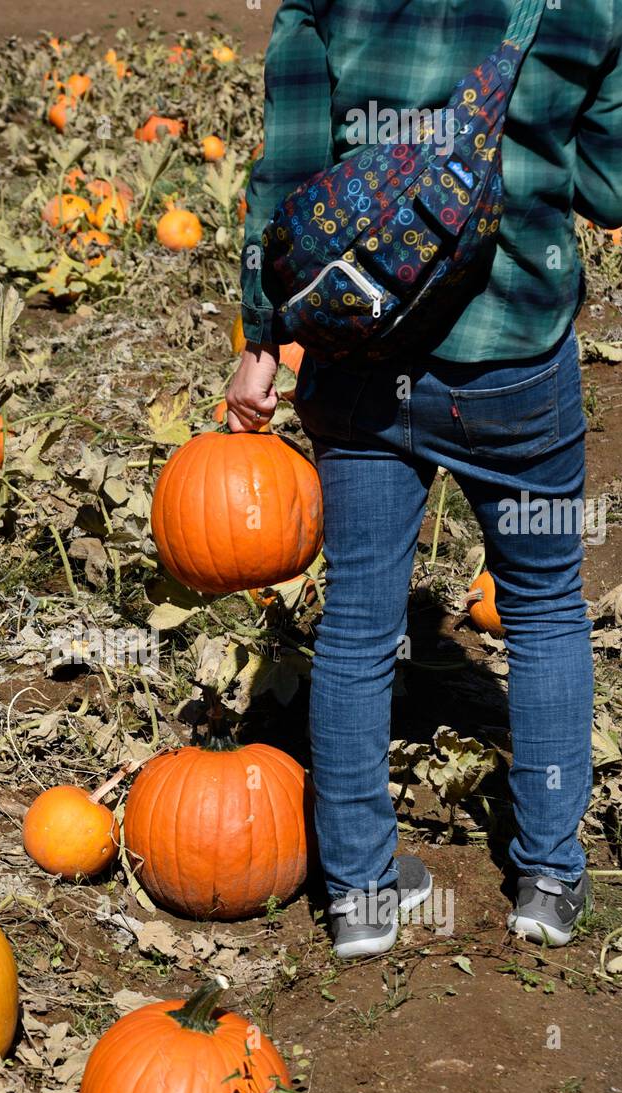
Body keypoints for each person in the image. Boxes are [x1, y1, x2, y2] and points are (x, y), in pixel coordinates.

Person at [229, 0, 621, 958]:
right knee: (542, 608)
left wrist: (259, 341)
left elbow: (283, 176)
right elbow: (611, 186)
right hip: (514, 362)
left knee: (361, 619)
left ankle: (359, 892)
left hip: (358, 353)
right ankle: (546, 879)